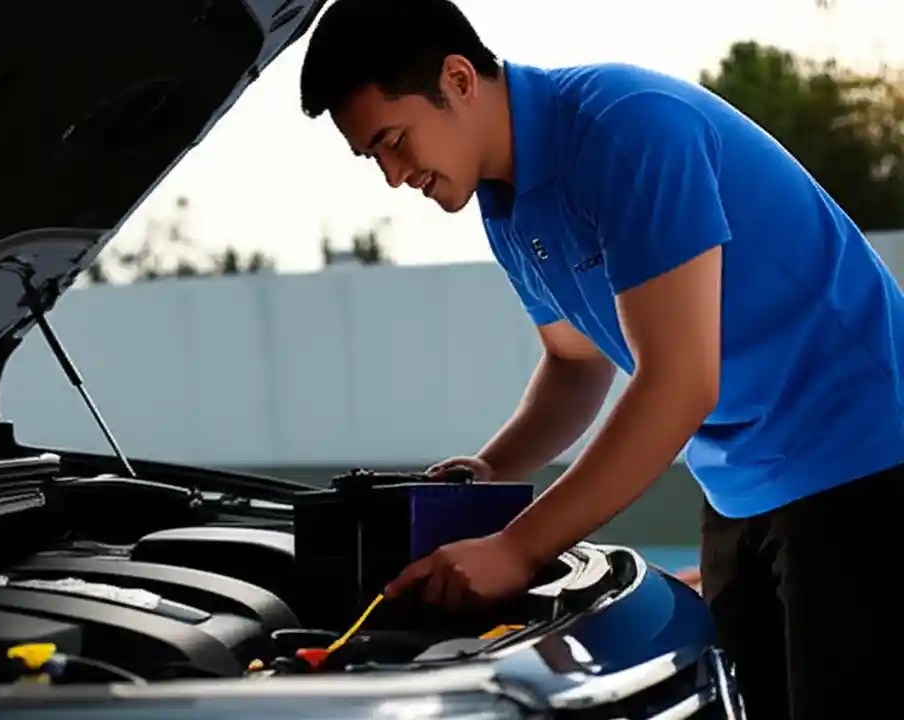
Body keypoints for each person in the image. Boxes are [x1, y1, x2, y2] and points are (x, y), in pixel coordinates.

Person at [298, 1, 904, 717]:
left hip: (863, 464)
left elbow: (680, 384)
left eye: (394, 140)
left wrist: (517, 549)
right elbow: (576, 363)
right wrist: (494, 470)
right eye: (374, 157)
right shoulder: (506, 205)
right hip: (740, 487)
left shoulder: (628, 129)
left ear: (458, 79)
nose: (395, 176)